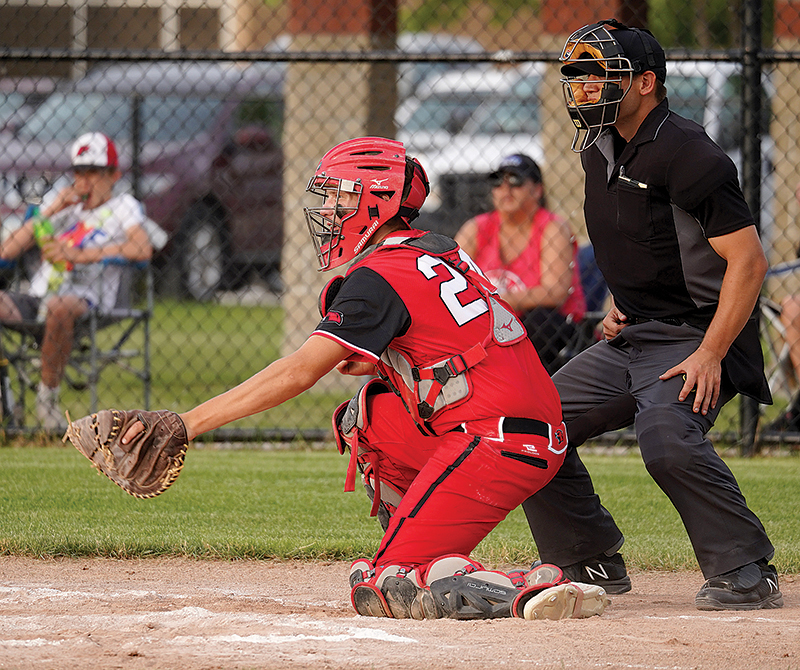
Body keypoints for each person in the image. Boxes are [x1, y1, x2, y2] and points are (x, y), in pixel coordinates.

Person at [119, 136, 610, 621]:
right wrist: (383, 362)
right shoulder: (436, 251)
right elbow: (449, 346)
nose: (329, 210)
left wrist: (183, 423)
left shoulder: (380, 274)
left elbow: (298, 372)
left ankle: (528, 586)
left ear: (377, 202)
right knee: (370, 413)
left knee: (385, 585)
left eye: (341, 197)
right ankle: (415, 540)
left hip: (496, 440)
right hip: (514, 430)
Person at [520, 19, 782, 610]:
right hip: (633, 333)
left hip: (697, 336)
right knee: (529, 425)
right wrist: (622, 305)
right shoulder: (598, 147)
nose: (584, 87)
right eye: (577, 76)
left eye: (599, 75)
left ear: (645, 82)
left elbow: (748, 262)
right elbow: (644, 243)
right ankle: (586, 557)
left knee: (666, 436)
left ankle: (745, 568)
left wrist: (711, 353)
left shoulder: (689, 152)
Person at [0, 132, 153, 431]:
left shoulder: (124, 207)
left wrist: (79, 255)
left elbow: (141, 248)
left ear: (113, 175)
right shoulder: (64, 209)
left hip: (89, 297)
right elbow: (6, 252)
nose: (84, 181)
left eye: (94, 173)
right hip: (38, 297)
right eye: (79, 173)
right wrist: (52, 208)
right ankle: (5, 403)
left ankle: (47, 400)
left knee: (60, 306)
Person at [454, 154, 586, 374]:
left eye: (515, 181)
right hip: (488, 324)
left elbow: (555, 292)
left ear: (537, 190)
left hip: (545, 329)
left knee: (539, 318)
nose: (505, 189)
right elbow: (449, 280)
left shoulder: (552, 228)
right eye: (497, 182)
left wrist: (496, 302)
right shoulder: (477, 228)